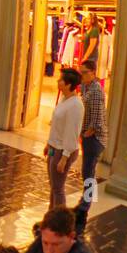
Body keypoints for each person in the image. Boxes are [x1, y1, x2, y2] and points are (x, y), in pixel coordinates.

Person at [45, 67, 83, 211]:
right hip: (55, 148)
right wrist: (49, 143)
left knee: (58, 188)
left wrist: (64, 157)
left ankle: (60, 221)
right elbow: (56, 125)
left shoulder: (76, 105)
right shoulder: (63, 98)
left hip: (63, 151)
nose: (57, 81)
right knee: (54, 186)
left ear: (68, 84)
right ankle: (51, 215)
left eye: (60, 80)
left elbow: (71, 133)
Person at [75, 59, 106, 232]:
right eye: (81, 73)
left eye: (85, 72)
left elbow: (98, 116)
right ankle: (85, 202)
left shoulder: (96, 91)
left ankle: (85, 206)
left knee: (88, 173)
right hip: (86, 135)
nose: (83, 76)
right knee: (87, 172)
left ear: (93, 73)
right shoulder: (86, 87)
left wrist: (89, 131)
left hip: (94, 138)